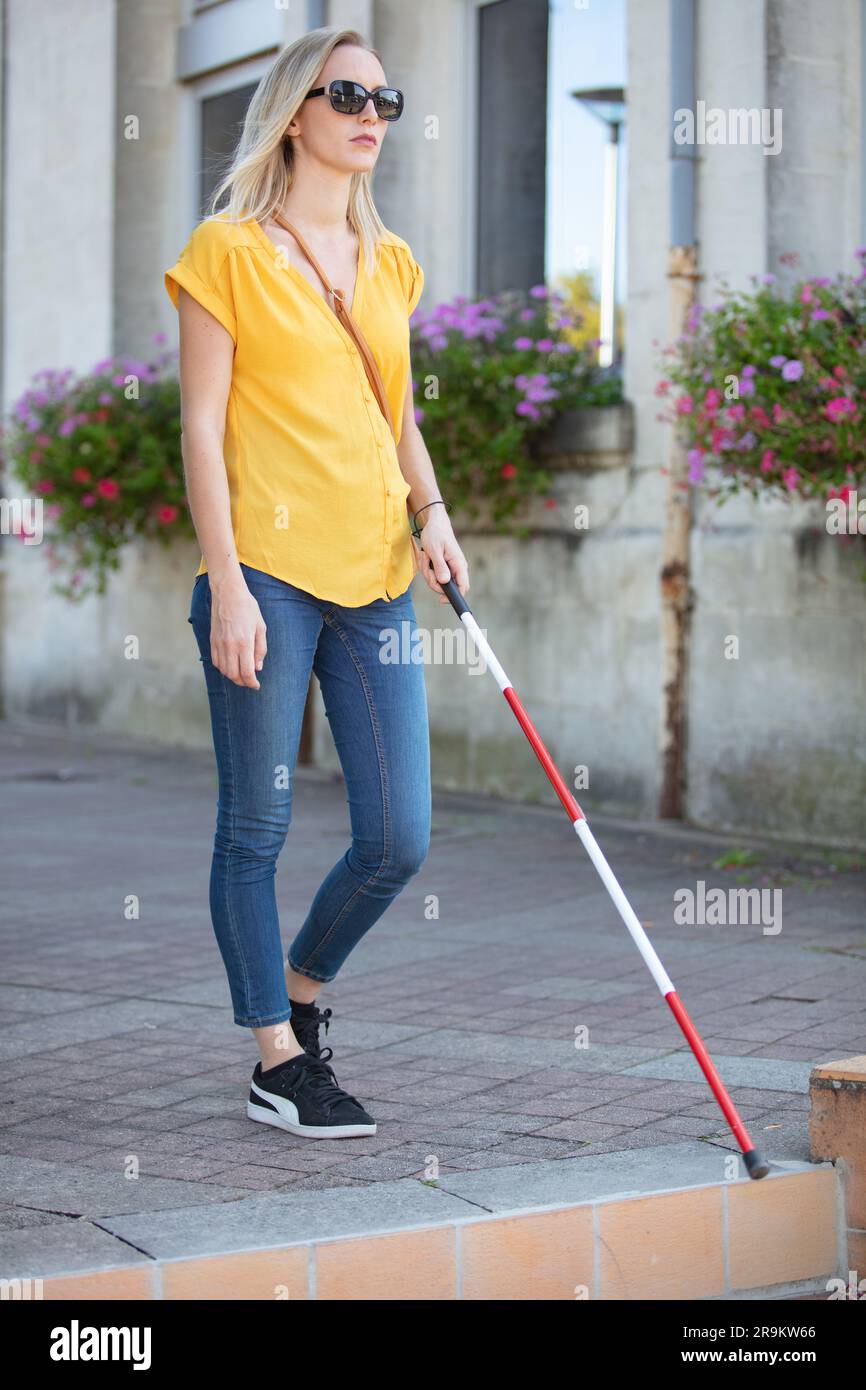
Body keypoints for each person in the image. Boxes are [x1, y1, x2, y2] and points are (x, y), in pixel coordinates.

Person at [164, 25, 469, 1140]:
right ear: (297, 112)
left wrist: (431, 513)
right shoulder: (227, 251)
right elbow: (201, 428)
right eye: (348, 95)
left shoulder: (390, 264)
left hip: (376, 576)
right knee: (256, 824)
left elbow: (393, 414)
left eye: (385, 100)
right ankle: (275, 1056)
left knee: (398, 836)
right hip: (270, 581)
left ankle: (301, 986)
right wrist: (229, 583)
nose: (370, 116)